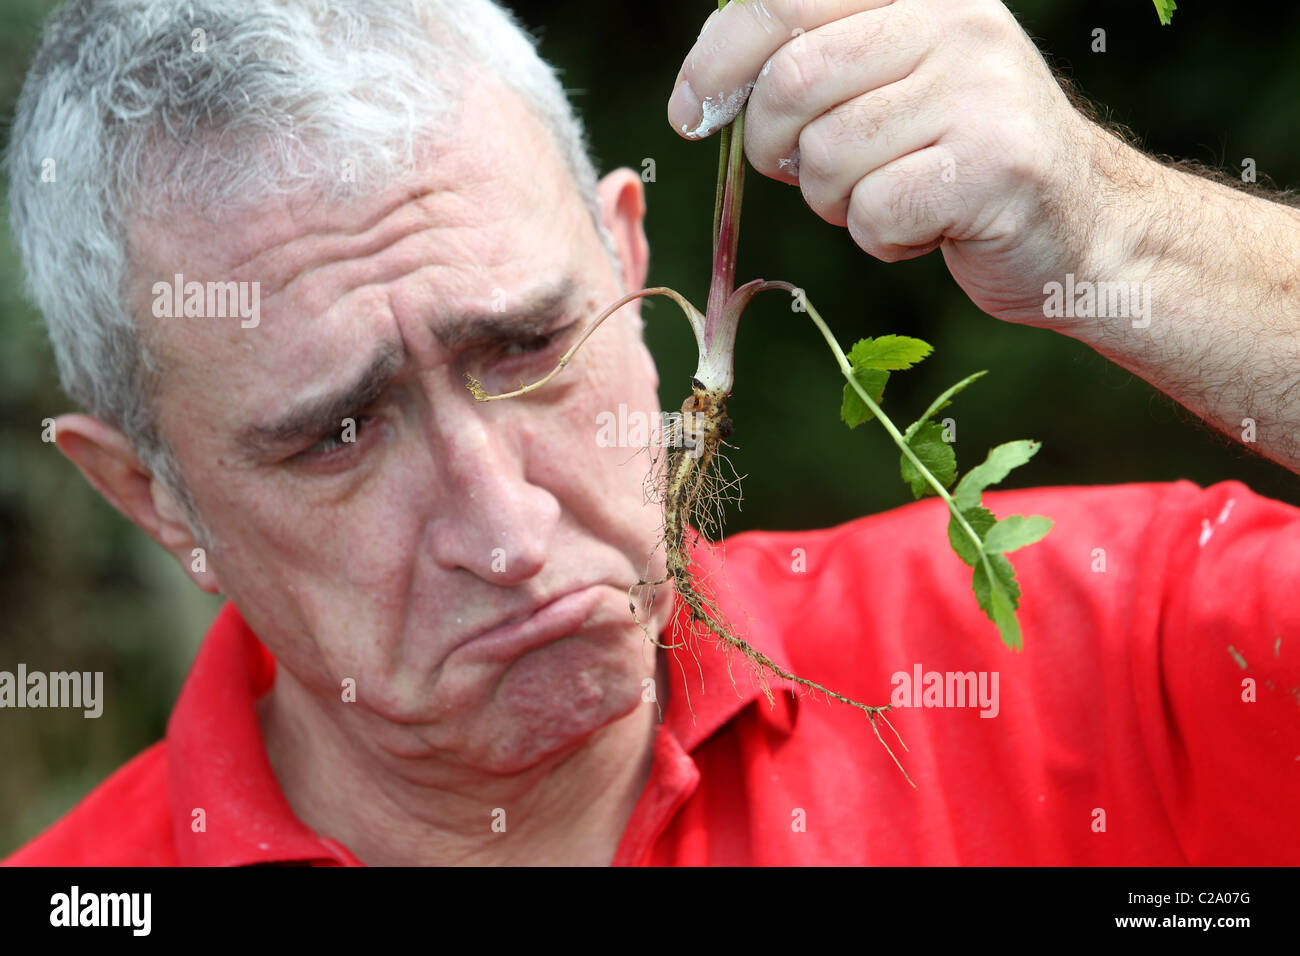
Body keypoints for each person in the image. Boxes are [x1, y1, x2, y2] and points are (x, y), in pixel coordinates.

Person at [4, 0, 1297, 866]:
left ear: (628, 260)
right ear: (150, 497)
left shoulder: (1097, 653)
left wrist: (1121, 238)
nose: (505, 532)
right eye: (337, 434)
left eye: (526, 347)